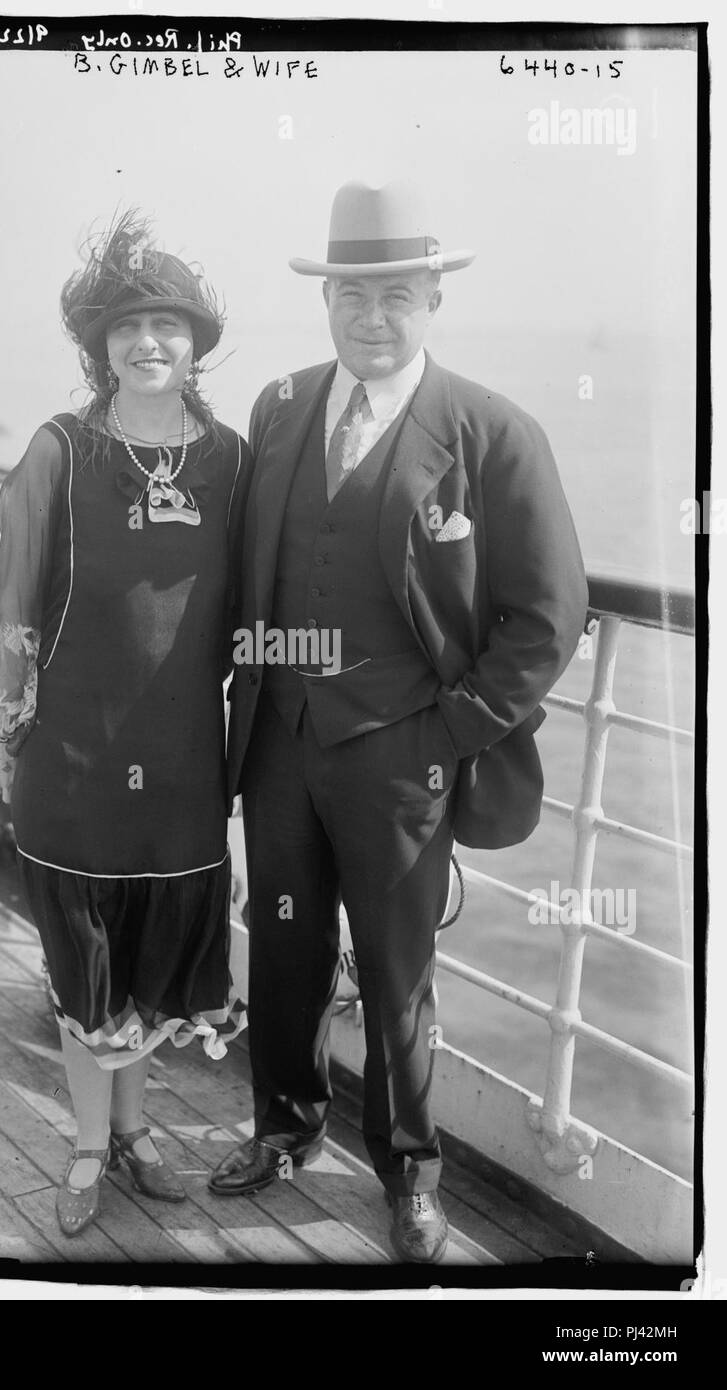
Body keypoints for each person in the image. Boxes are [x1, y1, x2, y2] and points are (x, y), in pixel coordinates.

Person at [209, 181, 588, 1263]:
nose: (371, 318)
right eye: (351, 298)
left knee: (396, 973)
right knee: (281, 947)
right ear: (326, 302)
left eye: (395, 297)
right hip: (279, 743)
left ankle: (411, 1174)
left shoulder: (492, 433)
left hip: (403, 759)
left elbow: (548, 614)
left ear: (433, 300)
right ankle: (283, 1125)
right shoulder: (281, 408)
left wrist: (451, 731)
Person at [0, 211, 250, 1237]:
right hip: (76, 764)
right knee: (85, 968)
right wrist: (4, 733)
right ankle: (92, 1146)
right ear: (98, 346)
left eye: (168, 326)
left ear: (195, 344)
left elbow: (254, 610)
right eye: (127, 326)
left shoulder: (232, 458)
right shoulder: (59, 450)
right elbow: (14, 608)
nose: (148, 342)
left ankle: (134, 1134)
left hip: (181, 767)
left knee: (150, 967)